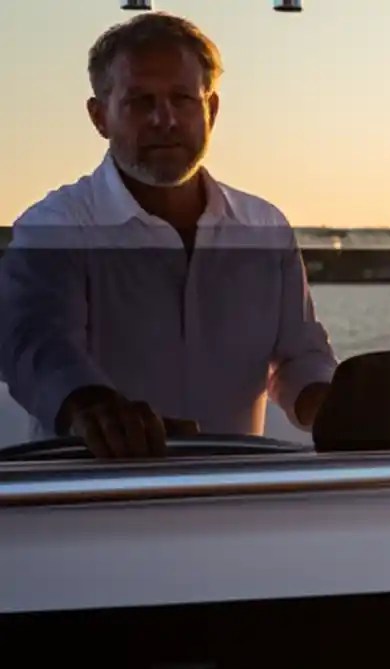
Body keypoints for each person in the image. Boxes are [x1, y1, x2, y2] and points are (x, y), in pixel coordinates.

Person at [0, 12, 336, 458]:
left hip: (238, 502)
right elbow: (36, 344)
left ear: (211, 110)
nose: (165, 119)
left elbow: (299, 356)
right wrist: (90, 406)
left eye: (183, 98)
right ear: (99, 117)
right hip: (85, 506)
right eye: (140, 101)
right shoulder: (54, 226)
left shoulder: (265, 227)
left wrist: (333, 404)